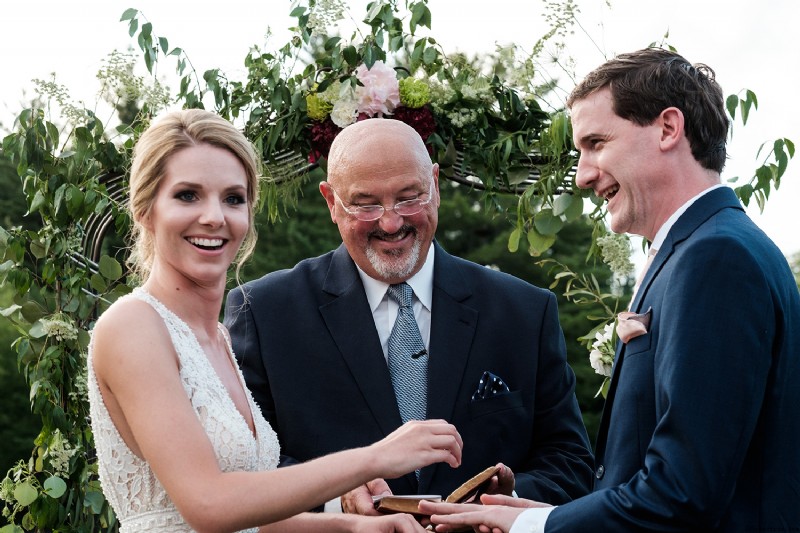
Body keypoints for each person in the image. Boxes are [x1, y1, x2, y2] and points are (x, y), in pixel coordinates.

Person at [419, 47, 800, 532]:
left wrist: (533, 528)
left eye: (596, 143)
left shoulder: (715, 258)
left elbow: (683, 491)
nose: (582, 176)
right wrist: (551, 513)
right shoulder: (706, 247)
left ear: (667, 128)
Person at [86, 108, 465, 533]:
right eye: (187, 195)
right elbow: (209, 505)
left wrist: (356, 529)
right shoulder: (133, 326)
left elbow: (252, 518)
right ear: (145, 209)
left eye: (232, 198)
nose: (214, 217)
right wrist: (373, 458)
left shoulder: (219, 340)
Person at [224, 117, 594, 516]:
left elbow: (570, 461)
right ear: (331, 202)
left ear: (434, 185)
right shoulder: (264, 312)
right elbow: (247, 467)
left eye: (409, 197)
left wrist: (497, 501)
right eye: (365, 204)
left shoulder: (524, 311)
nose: (390, 222)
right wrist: (337, 496)